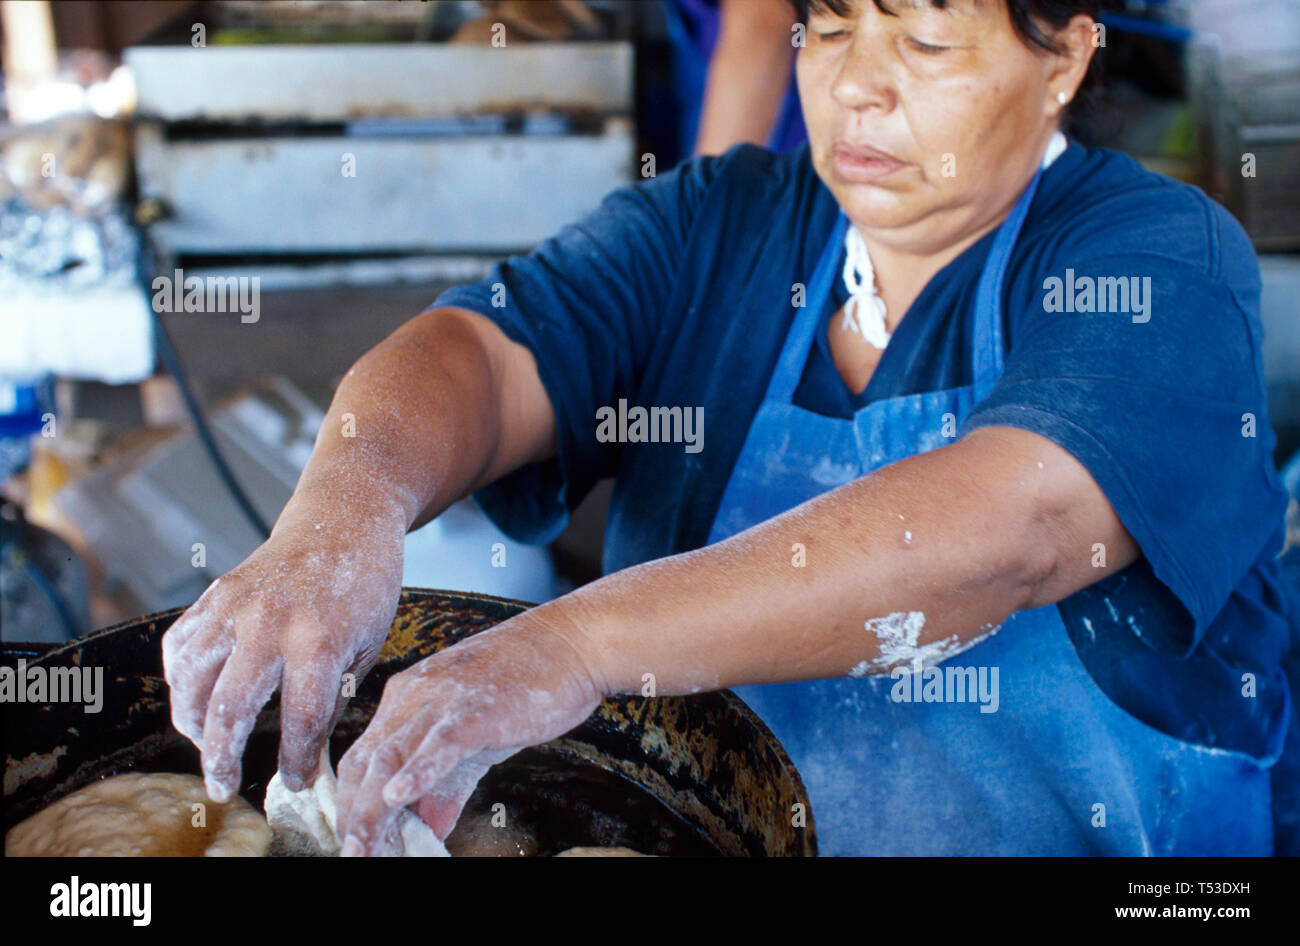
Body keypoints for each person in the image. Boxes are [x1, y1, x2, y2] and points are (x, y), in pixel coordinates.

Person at [163, 0, 1296, 856]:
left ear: (1065, 57)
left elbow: (1017, 522)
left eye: (924, 43)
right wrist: (344, 507)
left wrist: (569, 644)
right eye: (828, 26)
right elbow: (482, 357)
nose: (857, 87)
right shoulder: (721, 219)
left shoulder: (1158, 259)